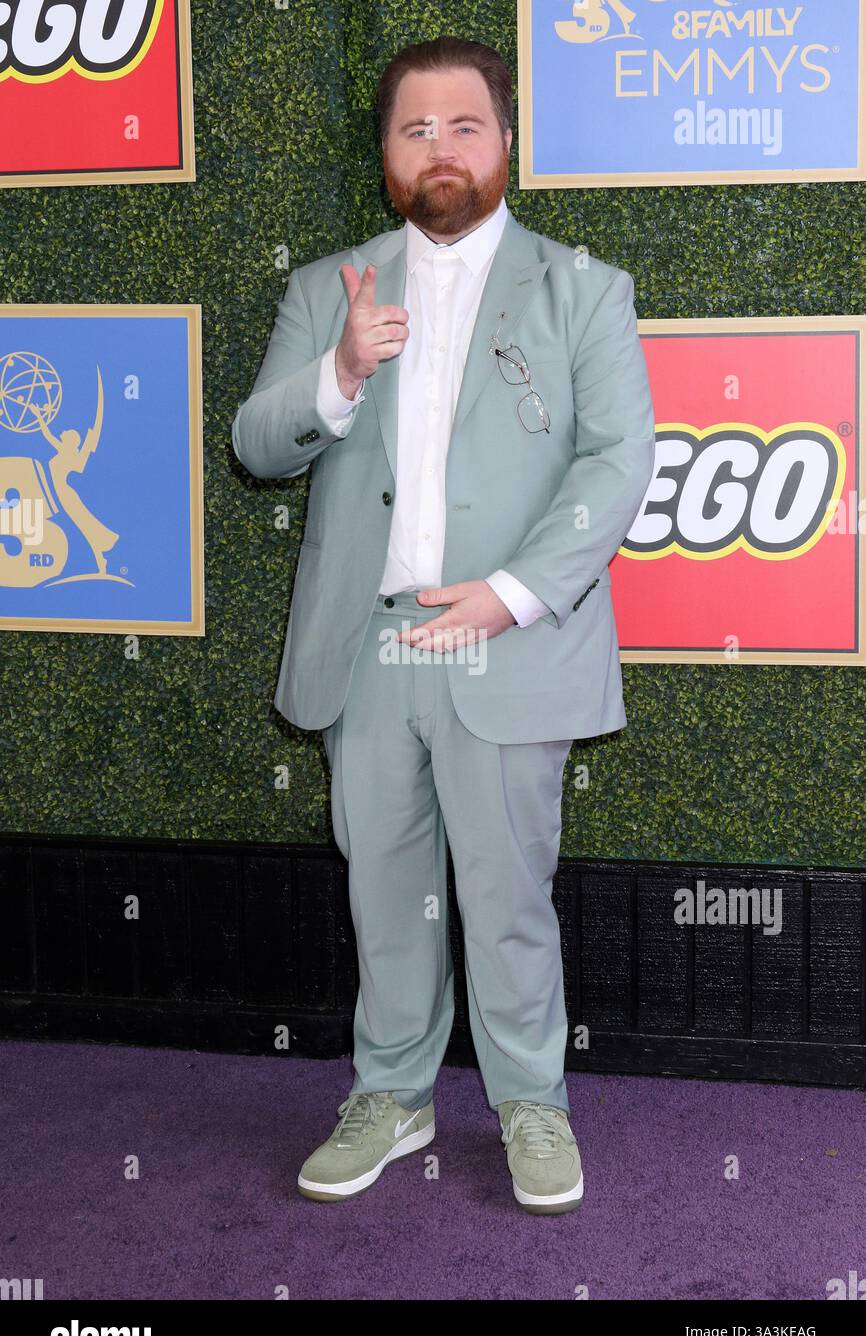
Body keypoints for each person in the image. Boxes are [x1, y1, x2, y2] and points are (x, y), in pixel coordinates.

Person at [232, 35, 656, 1215]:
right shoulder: (331, 289)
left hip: (506, 641)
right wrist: (338, 373)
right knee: (385, 885)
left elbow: (618, 459)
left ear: (504, 141)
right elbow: (257, 443)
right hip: (369, 650)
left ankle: (529, 1102)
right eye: (414, 129)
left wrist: (513, 590)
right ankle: (392, 1092)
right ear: (384, 153)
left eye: (462, 125)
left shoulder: (584, 289)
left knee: (505, 891)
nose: (439, 148)